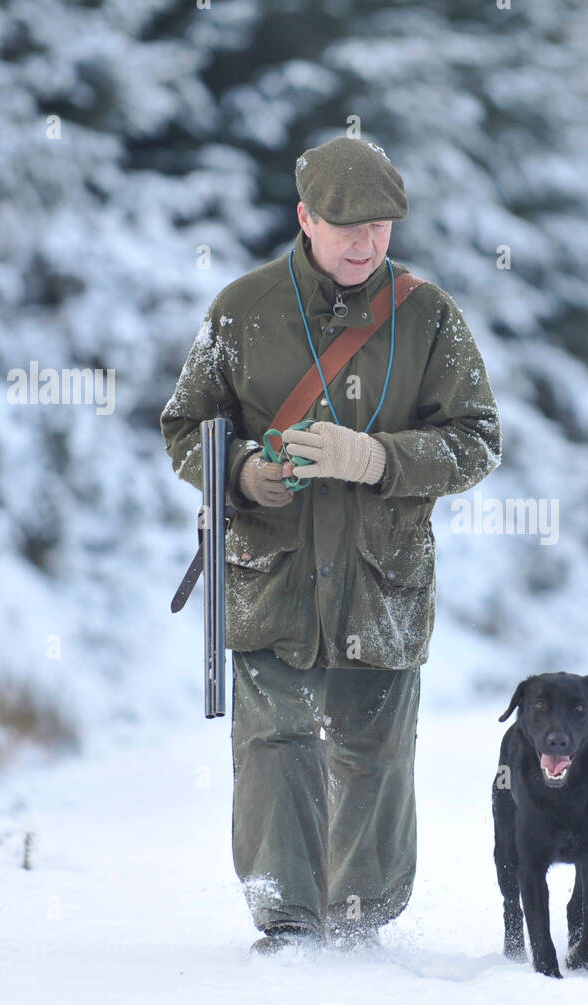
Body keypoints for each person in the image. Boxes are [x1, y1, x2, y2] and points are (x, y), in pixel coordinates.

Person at [160, 136, 501, 953]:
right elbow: (185, 427)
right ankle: (286, 921)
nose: (365, 242)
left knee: (375, 752)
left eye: (381, 225)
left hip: (381, 581)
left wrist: (378, 458)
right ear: (305, 217)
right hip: (271, 576)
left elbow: (479, 441)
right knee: (275, 750)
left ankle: (363, 920)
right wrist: (241, 475)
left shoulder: (429, 316)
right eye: (346, 224)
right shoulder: (240, 309)